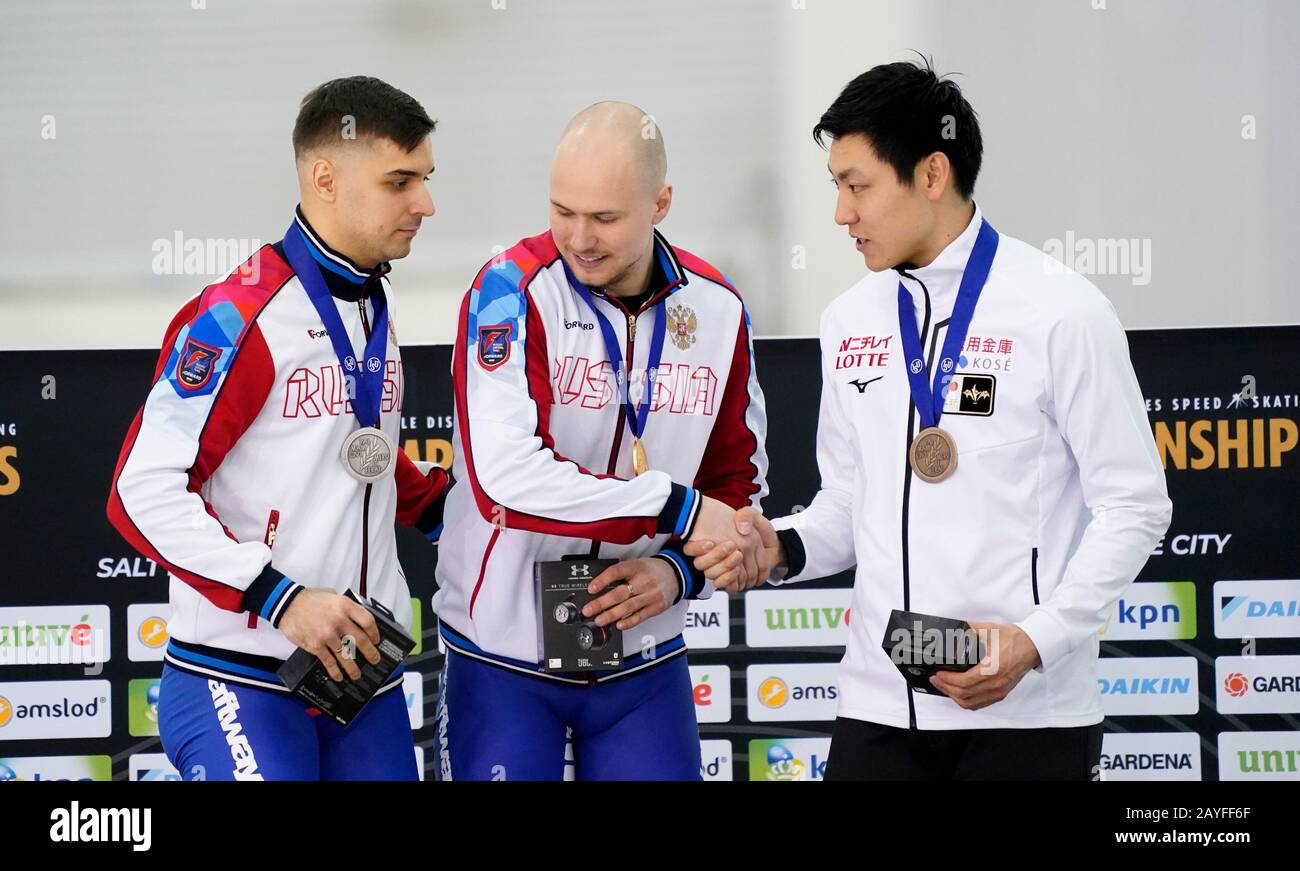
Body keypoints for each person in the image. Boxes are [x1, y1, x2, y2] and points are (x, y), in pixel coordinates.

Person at [689, 58, 1172, 780]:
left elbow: (1135, 506)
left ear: (933, 173)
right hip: (878, 712)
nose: (841, 213)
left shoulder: (1062, 311)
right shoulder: (849, 319)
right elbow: (849, 507)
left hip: (1025, 714)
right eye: (836, 188)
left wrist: (1035, 641)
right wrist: (776, 546)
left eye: (858, 187)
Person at [107, 76, 448, 780]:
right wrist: (277, 595)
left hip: (361, 680)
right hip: (240, 675)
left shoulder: (369, 297)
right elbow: (141, 488)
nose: (426, 203)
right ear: (326, 178)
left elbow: (355, 454)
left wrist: (461, 509)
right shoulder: (239, 316)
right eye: (400, 181)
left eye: (425, 179)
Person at [432, 101, 768, 781]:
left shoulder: (717, 307)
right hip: (503, 656)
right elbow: (506, 478)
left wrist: (679, 571)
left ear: (661, 202)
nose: (579, 237)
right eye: (563, 210)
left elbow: (739, 486)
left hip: (643, 659)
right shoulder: (508, 290)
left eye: (606, 218)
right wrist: (671, 507)